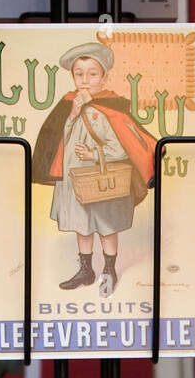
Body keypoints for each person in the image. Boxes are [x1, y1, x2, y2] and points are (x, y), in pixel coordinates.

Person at [32, 41, 157, 299]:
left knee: (107, 227)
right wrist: (74, 114)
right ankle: (86, 270)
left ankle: (109, 270)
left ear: (104, 77)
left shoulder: (111, 108)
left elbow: (122, 148)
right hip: (75, 180)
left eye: (92, 73)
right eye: (79, 74)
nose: (85, 80)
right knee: (82, 226)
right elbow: (60, 140)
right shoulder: (68, 104)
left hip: (103, 181)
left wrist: (93, 154)